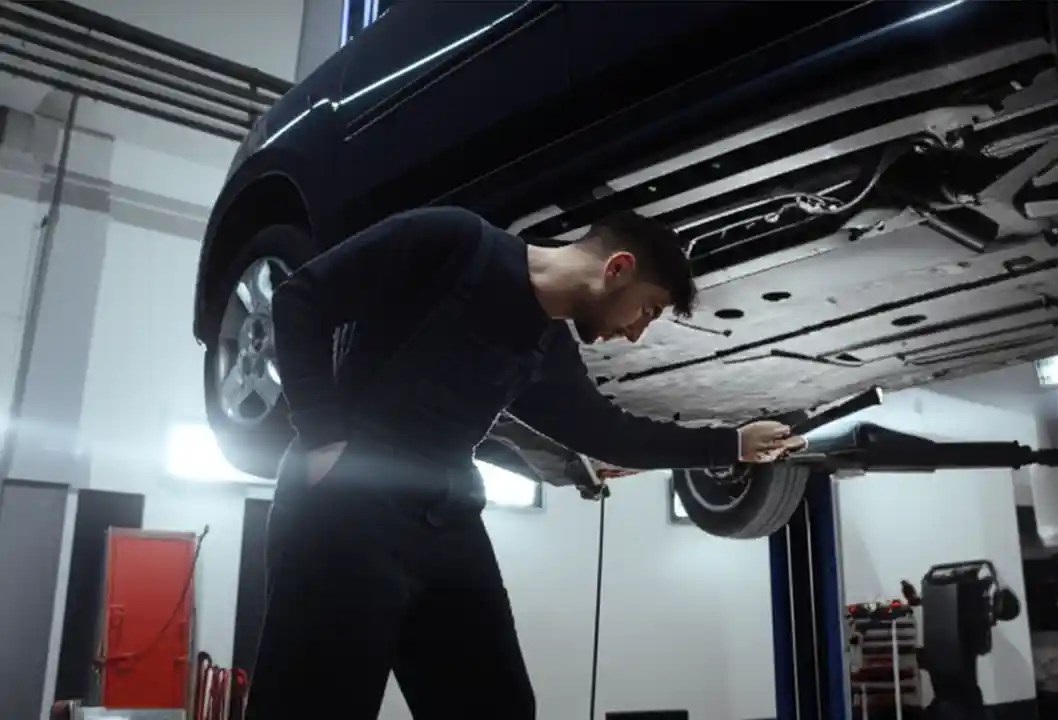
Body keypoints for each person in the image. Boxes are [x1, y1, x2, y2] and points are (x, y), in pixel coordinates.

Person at [245, 206, 803, 719]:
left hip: (445, 522)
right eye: (647, 310)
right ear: (618, 268)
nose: (635, 332)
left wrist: (729, 445)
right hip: (345, 510)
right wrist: (320, 436)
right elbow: (301, 298)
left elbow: (609, 432)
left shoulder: (547, 347)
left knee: (499, 708)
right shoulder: (453, 241)